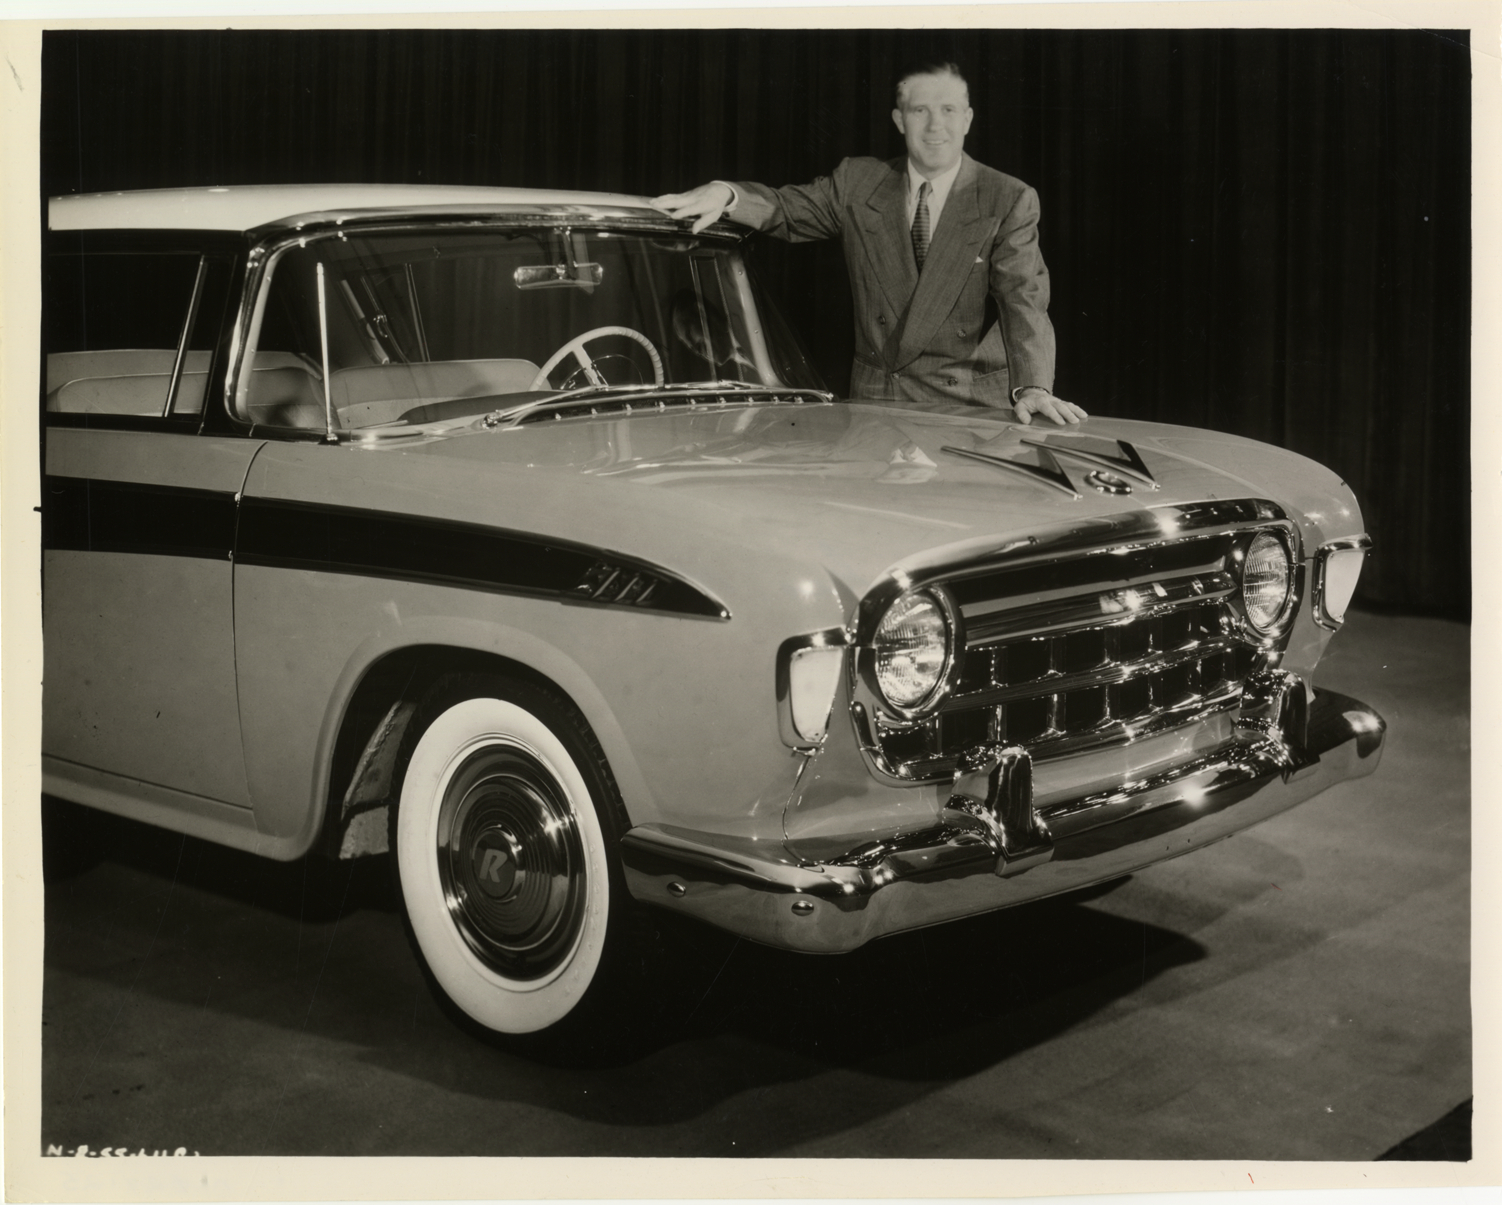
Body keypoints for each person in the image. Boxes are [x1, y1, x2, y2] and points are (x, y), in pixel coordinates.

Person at [651, 61, 1087, 426]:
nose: (935, 126)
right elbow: (786, 209)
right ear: (899, 120)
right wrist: (727, 194)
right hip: (879, 406)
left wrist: (1033, 387)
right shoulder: (857, 182)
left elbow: (1024, 299)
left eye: (949, 110)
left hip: (969, 409)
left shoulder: (1007, 196)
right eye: (920, 110)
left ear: (968, 119)